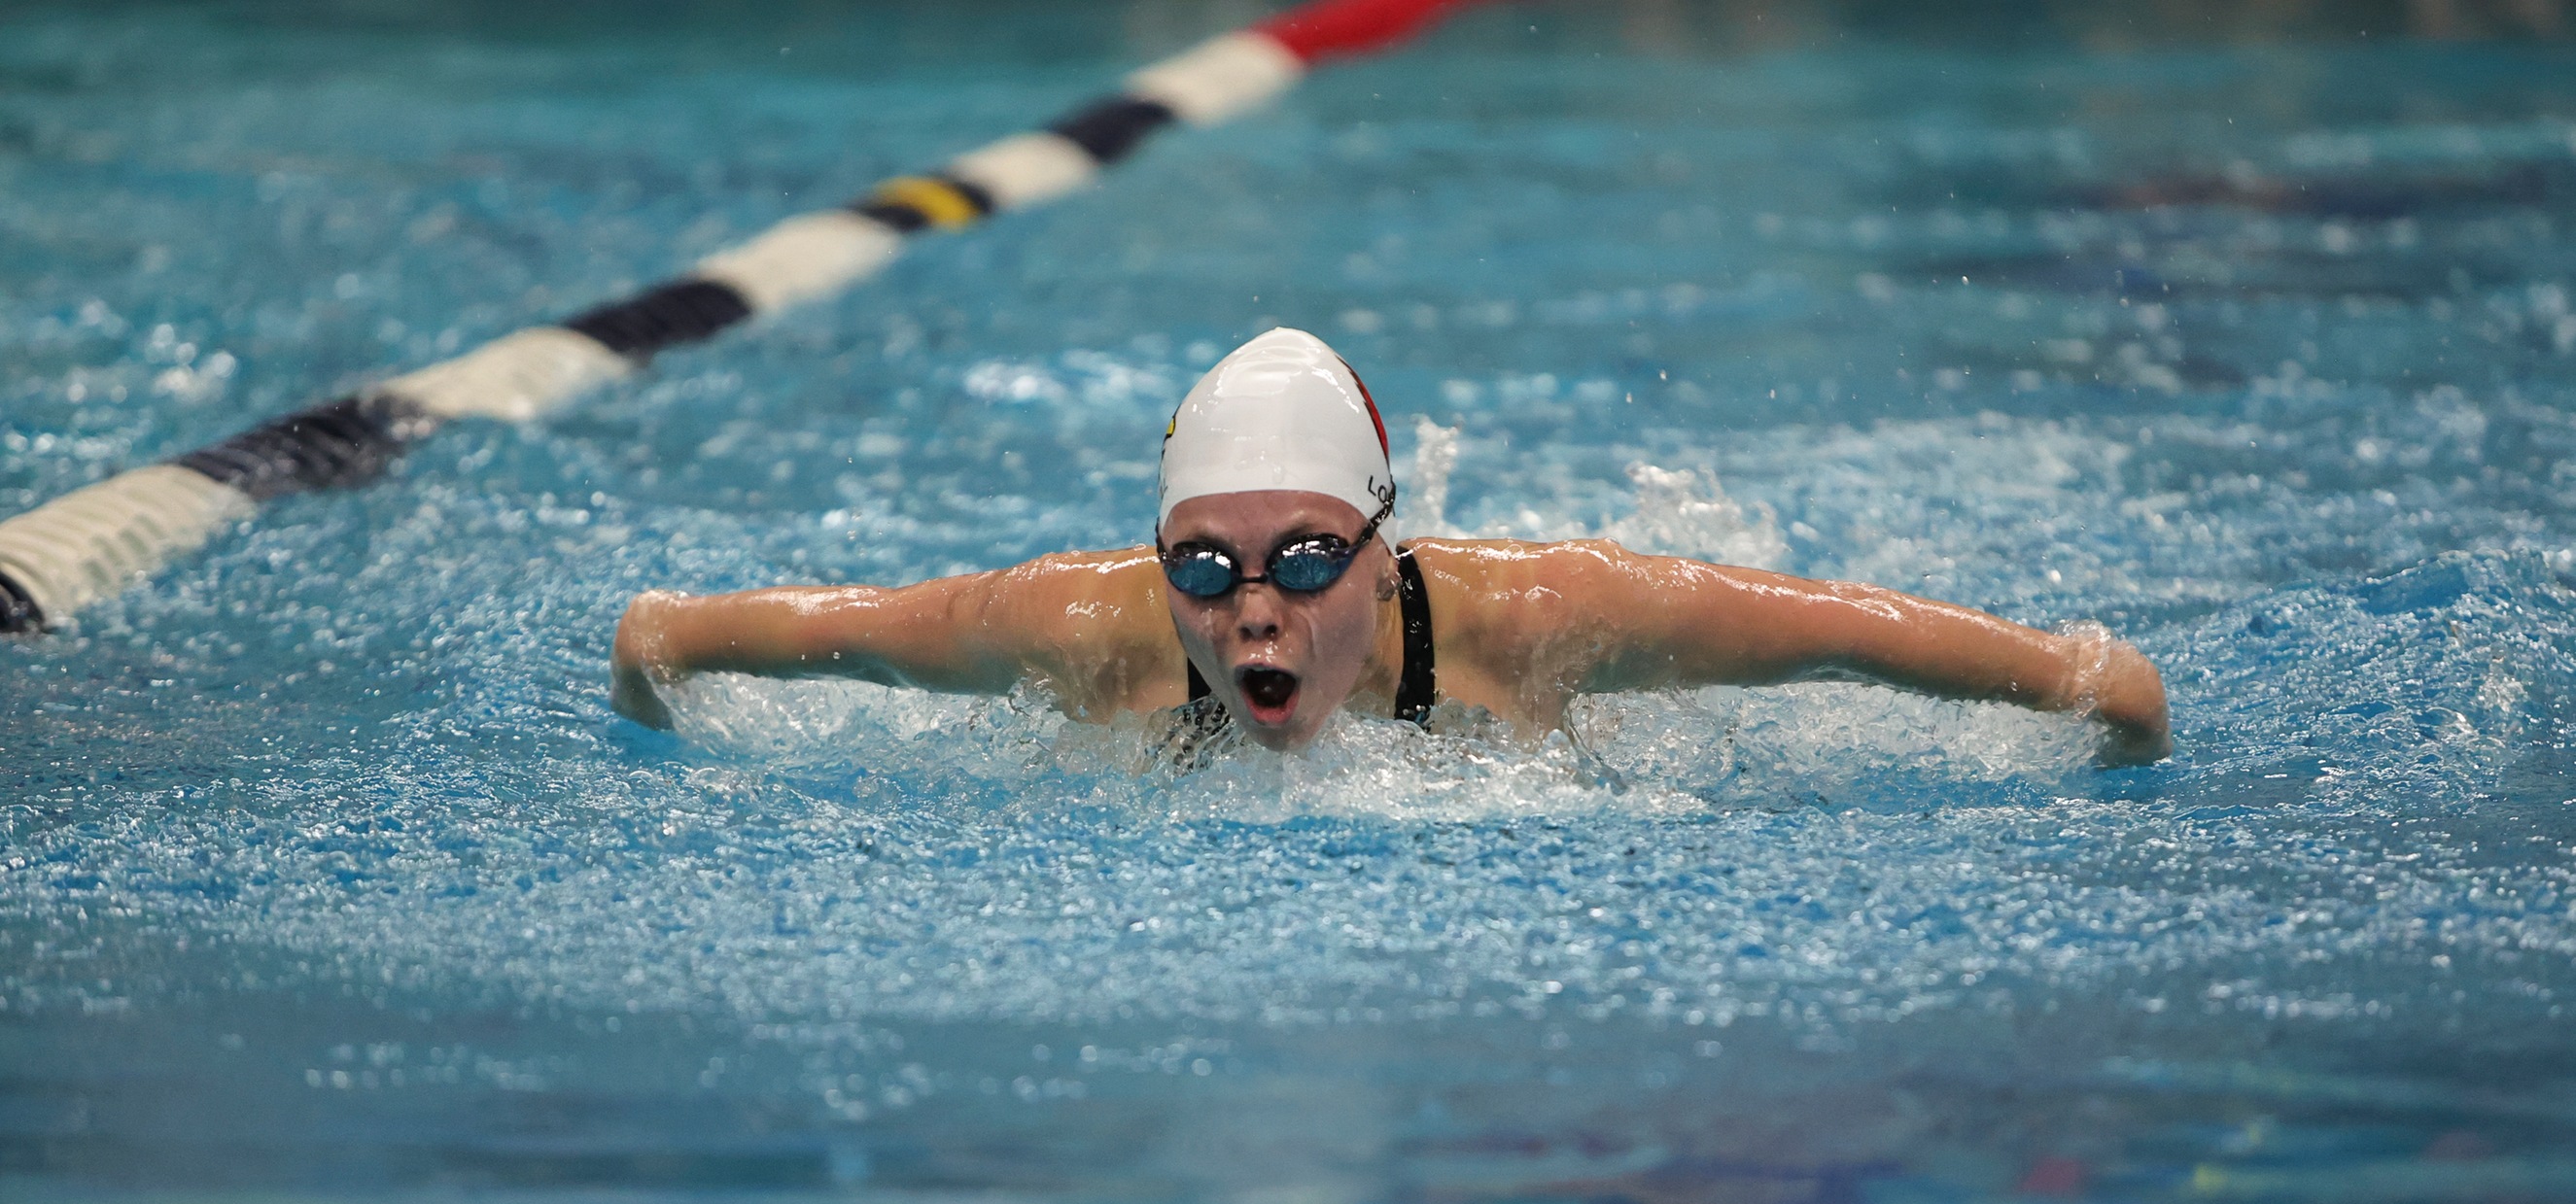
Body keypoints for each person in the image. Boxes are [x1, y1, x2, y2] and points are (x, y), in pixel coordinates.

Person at [610, 328, 2171, 765]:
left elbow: (1845, 634)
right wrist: (648, 687)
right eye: (1204, 569)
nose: (1250, 612)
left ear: (1377, 544)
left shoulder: (1551, 618)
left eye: (1301, 558)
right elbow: (686, 635)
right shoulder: (1075, 633)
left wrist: (2097, 692)